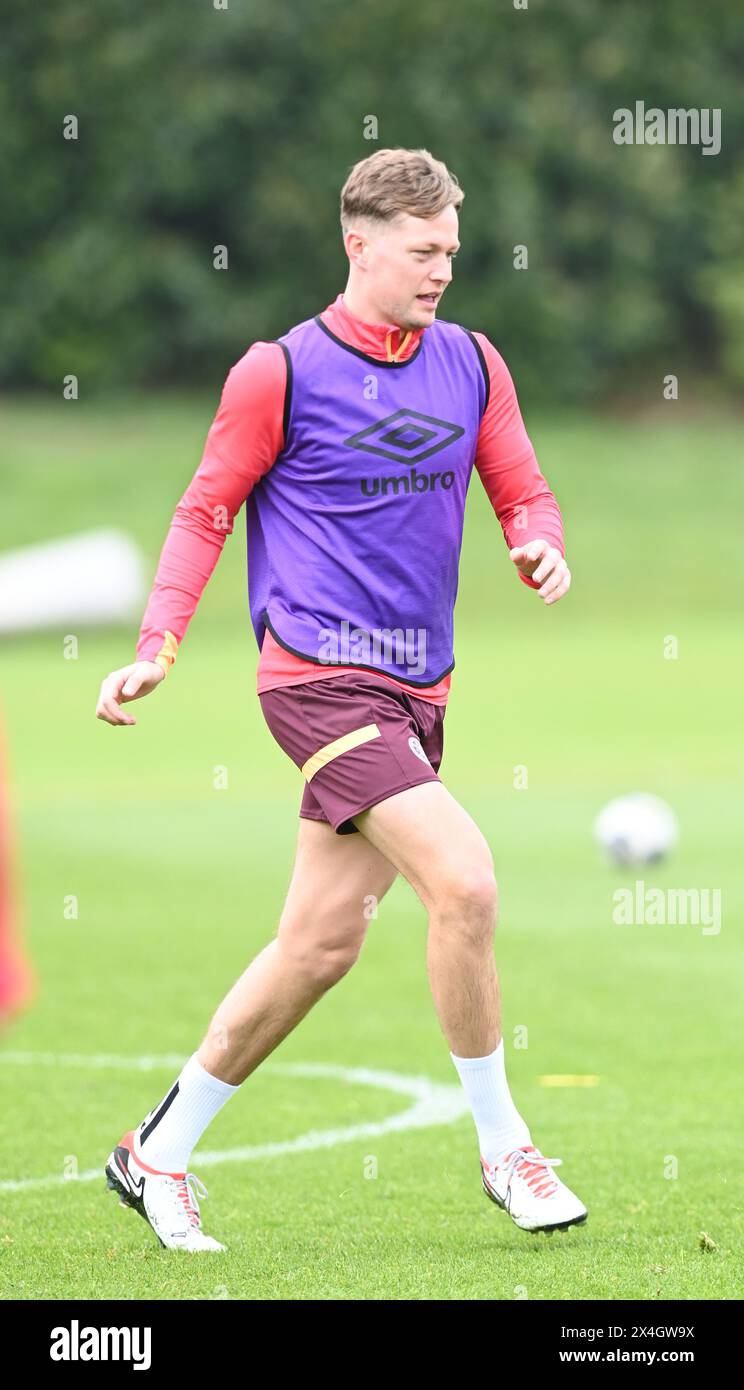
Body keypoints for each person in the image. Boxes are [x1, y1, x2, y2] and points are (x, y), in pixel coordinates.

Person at [97, 147, 585, 1251]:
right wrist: (158, 643)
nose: (442, 271)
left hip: (420, 689)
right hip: (316, 680)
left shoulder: (471, 361)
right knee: (464, 882)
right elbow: (204, 510)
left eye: (451, 251)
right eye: (422, 252)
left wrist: (537, 541)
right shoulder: (277, 370)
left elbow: (522, 481)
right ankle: (507, 1147)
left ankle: (154, 1152)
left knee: (320, 946)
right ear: (358, 244)